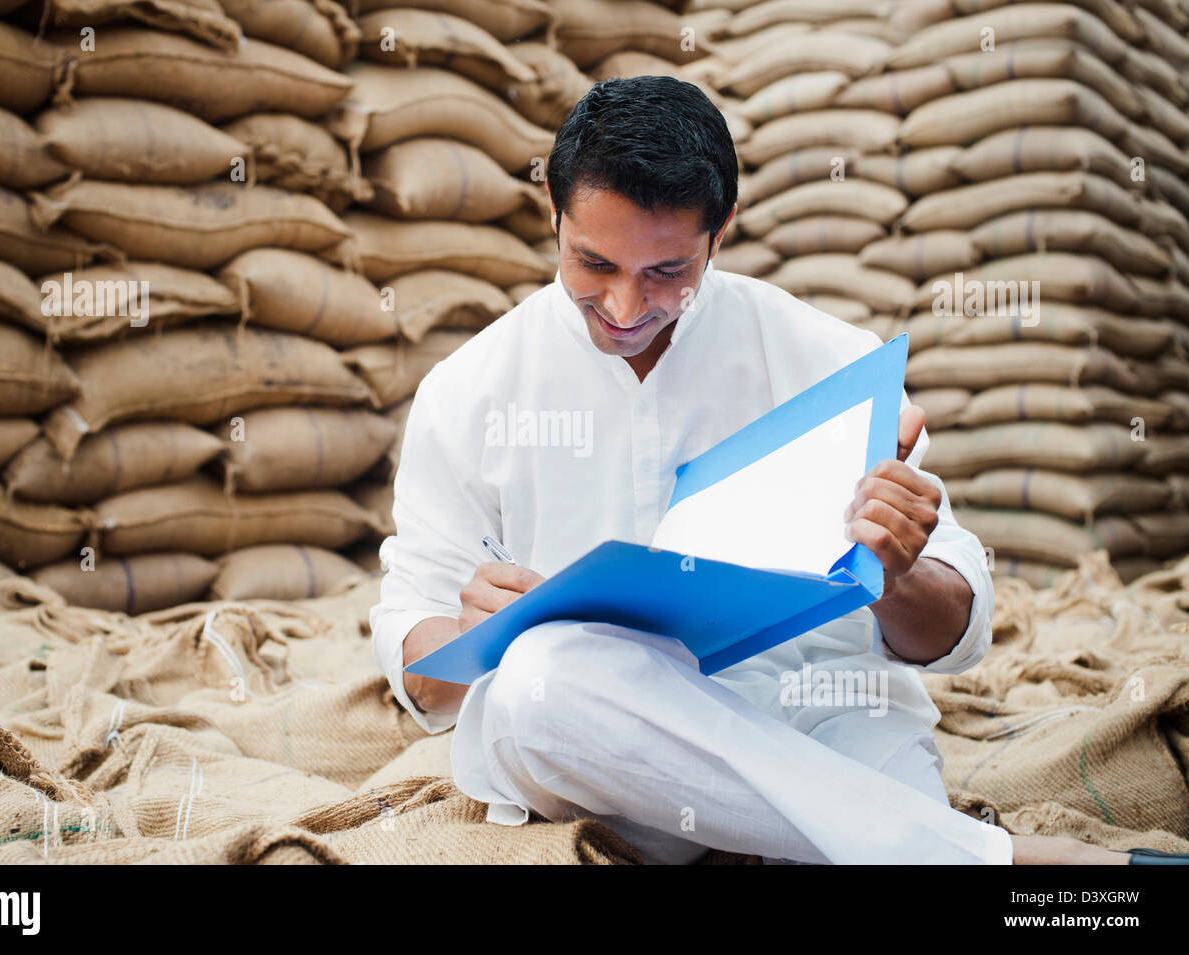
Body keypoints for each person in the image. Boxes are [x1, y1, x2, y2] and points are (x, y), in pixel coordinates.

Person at [369, 76, 1149, 865]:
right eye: (592, 263)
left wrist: (897, 571)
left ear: (722, 231)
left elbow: (956, 634)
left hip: (818, 720)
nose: (626, 305)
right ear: (553, 211)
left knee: (862, 726)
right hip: (603, 751)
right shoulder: (467, 392)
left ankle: (909, 844)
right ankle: (994, 859)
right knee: (536, 681)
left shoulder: (823, 358)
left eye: (666, 272)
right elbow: (418, 659)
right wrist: (478, 637)